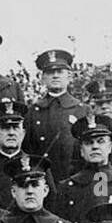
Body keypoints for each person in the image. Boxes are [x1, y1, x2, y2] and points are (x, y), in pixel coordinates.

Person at [53, 112, 112, 223]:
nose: (95, 146)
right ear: (81, 150)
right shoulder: (67, 188)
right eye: (89, 142)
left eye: (100, 141)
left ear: (110, 147)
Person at [22, 48, 88, 183]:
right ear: (43, 78)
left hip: (74, 179)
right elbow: (27, 149)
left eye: (60, 72)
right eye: (50, 72)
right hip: (42, 181)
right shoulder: (33, 112)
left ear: (69, 76)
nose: (55, 76)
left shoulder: (82, 110)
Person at [0, 98, 56, 210]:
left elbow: (51, 206)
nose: (11, 133)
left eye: (16, 127)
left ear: (23, 133)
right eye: (5, 128)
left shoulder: (39, 166)